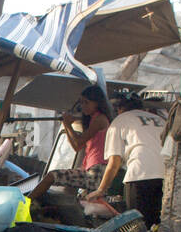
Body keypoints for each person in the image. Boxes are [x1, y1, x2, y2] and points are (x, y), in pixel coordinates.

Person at [27, 85, 117, 214]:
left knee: (51, 176)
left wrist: (67, 125)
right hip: (90, 168)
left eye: (87, 102)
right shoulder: (94, 119)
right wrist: (68, 125)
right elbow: (77, 145)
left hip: (96, 171)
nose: (83, 106)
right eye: (82, 102)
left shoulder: (100, 119)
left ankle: (24, 203)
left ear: (97, 103)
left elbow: (77, 145)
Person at [93, 92, 167, 227]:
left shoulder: (119, 121)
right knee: (158, 225)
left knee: (138, 226)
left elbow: (114, 163)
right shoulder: (160, 120)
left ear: (119, 109)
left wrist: (101, 190)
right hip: (166, 176)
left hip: (140, 175)